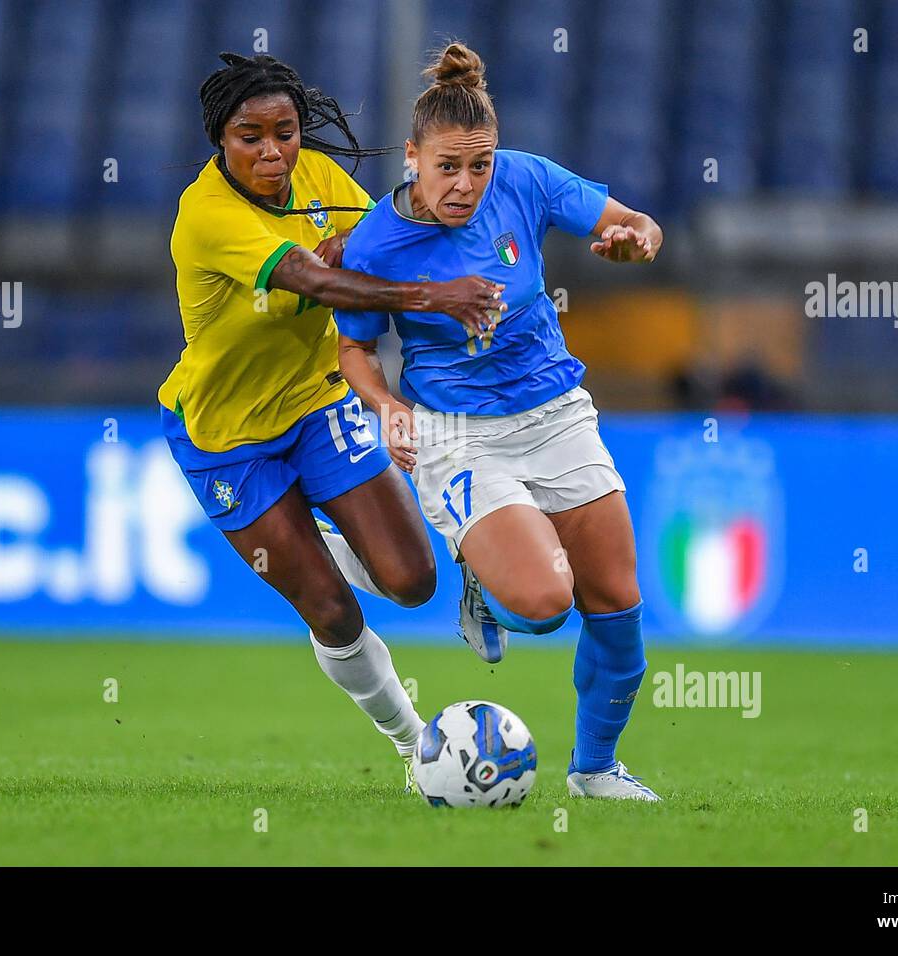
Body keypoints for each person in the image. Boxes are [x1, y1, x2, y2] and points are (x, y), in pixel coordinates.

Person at [158, 53, 505, 789]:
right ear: (221, 137)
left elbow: (382, 230)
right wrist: (433, 296)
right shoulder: (207, 214)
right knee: (333, 612)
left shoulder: (318, 176)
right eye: (250, 136)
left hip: (317, 404)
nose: (273, 151)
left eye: (285, 132)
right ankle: (416, 747)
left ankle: (315, 538)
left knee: (413, 583)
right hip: (227, 439)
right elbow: (313, 278)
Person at [335, 42, 665, 801]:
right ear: (412, 155)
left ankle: (595, 771)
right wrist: (387, 408)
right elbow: (354, 351)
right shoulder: (375, 245)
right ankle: (484, 577)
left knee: (616, 608)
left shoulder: (526, 178)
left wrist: (636, 241)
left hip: (557, 416)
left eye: (478, 165)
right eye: (447, 166)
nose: (466, 183)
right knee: (547, 604)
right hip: (459, 436)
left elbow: (637, 223)